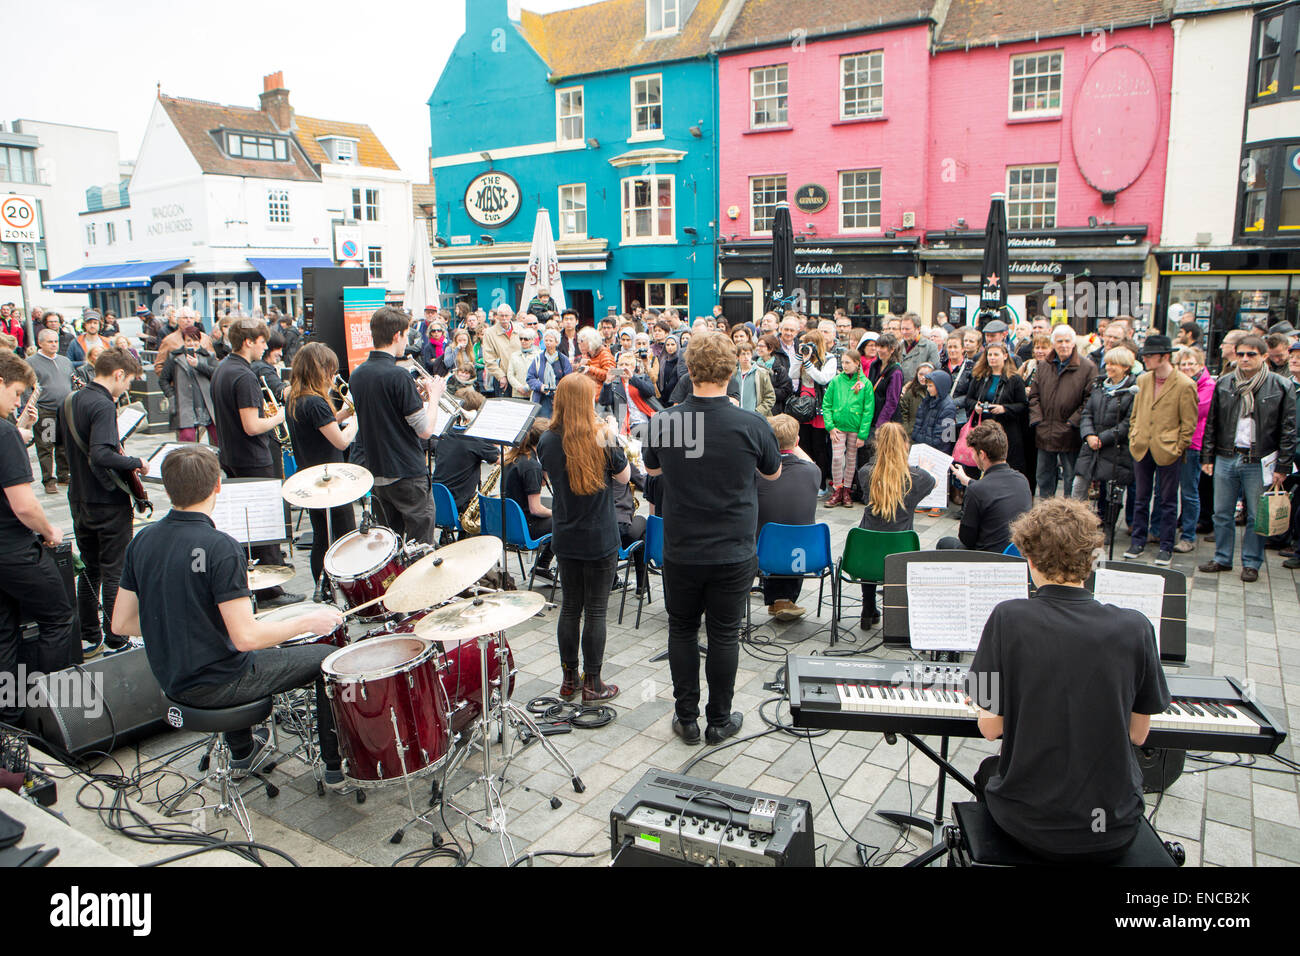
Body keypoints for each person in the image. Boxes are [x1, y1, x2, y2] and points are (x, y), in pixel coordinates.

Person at [111, 446, 347, 785]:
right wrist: (308, 622)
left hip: (171, 677)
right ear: (217, 486)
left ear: (167, 488)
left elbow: (121, 624)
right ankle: (335, 768)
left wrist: (186, 628)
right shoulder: (219, 546)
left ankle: (243, 751)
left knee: (233, 649)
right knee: (328, 659)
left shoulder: (142, 540)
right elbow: (246, 637)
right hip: (216, 683)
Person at [966, 497, 1170, 863]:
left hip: (1030, 824)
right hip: (1111, 825)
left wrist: (985, 701)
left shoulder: (1007, 617)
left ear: (1029, 559)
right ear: (1090, 560)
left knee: (988, 773)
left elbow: (990, 728)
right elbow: (1139, 735)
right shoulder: (1137, 626)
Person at [644, 332, 781, 745]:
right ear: (729, 370)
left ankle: (686, 718)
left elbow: (651, 472)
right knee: (723, 633)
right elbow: (773, 473)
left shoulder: (666, 422)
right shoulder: (750, 423)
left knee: (682, 628)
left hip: (683, 545)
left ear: (690, 369)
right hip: (732, 547)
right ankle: (719, 720)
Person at [536, 375, 626, 702]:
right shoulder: (602, 435)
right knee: (597, 611)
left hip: (566, 533)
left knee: (570, 607)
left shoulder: (546, 439)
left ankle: (568, 680)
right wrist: (611, 433)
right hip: (600, 535)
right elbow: (625, 476)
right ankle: (594, 684)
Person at [0, 352, 77, 725]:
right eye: (16, 393)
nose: (19, 401)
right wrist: (50, 531)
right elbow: (24, 505)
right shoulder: (2, 432)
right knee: (59, 618)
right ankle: (54, 712)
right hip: (13, 550)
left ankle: (10, 717)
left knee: (4, 633)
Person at [61, 347, 147, 657]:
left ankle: (89, 635)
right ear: (118, 374)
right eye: (129, 381)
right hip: (106, 502)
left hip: (79, 498)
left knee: (90, 568)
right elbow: (100, 454)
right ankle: (117, 638)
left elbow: (65, 446)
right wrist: (136, 460)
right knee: (114, 570)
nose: (127, 389)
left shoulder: (71, 400)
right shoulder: (102, 404)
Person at [1198, 334, 1297, 583]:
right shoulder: (1225, 383)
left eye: (1251, 354)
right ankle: (1222, 557)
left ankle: (1252, 562)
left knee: (1256, 515)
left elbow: (1289, 428)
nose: (1244, 359)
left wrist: (1283, 465)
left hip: (1260, 458)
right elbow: (1213, 423)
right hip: (1227, 455)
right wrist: (1207, 456)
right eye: (1240, 353)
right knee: (1221, 512)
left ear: (1264, 356)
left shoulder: (1281, 385)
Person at [349, 307, 442, 544]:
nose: (407, 341)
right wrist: (434, 398)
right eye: (405, 335)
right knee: (420, 545)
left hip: (377, 471)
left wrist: (414, 398)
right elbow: (425, 430)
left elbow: (387, 412)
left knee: (391, 544)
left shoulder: (358, 374)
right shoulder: (398, 376)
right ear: (396, 336)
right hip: (405, 471)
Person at [286, 343, 359, 584]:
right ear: (320, 370)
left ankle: (322, 587)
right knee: (346, 536)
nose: (332, 377)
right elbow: (340, 442)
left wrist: (340, 416)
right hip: (330, 481)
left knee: (322, 536)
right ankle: (346, 586)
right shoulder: (316, 402)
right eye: (330, 371)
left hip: (310, 476)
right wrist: (355, 424)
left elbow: (319, 428)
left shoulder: (297, 398)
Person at [1123, 335, 1199, 566]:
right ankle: (1137, 542)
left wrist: (1178, 447)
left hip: (1168, 449)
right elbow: (1136, 413)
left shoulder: (1185, 384)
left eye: (1150, 355)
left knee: (1167, 500)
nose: (1144, 359)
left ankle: (1166, 546)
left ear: (1165, 356)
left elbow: (1189, 424)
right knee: (1140, 497)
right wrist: (1134, 435)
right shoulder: (1144, 380)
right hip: (1142, 445)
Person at [855, 422, 935, 629]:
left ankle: (868, 606)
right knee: (891, 547)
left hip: (866, 554)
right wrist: (925, 469)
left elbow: (866, 497)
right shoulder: (918, 478)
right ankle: (894, 612)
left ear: (877, 445)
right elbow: (931, 482)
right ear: (905, 446)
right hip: (901, 553)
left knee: (871, 540)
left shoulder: (865, 473)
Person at [756, 414, 820, 621]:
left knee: (770, 528)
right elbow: (808, 461)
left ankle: (779, 599)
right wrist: (793, 443)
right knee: (788, 529)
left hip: (763, 552)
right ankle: (783, 599)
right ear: (798, 442)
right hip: (804, 554)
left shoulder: (756, 474)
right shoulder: (813, 472)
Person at [1072, 348, 1138, 534]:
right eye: (1107, 363)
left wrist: (1103, 438)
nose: (1109, 368)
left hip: (1115, 448)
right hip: (1091, 445)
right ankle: (1077, 524)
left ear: (1125, 367)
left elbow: (1128, 422)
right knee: (1079, 485)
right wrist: (1089, 435)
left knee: (1112, 491)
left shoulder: (1131, 390)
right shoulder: (1099, 386)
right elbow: (1087, 413)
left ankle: (1108, 527)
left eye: (1114, 364)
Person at [1028, 324, 1096, 498]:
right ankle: (1045, 515)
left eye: (1067, 341)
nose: (1064, 345)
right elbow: (1034, 396)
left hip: (1070, 433)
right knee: (1043, 478)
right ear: (1054, 343)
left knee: (1070, 479)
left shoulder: (1087, 368)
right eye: (1059, 341)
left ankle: (1067, 517)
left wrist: (1072, 422)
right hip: (1045, 431)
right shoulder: (1044, 366)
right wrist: (1038, 420)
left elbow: (1089, 400)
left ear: (1073, 343)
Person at [944, 421, 1033, 553]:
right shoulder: (1022, 480)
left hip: (988, 560)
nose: (973, 457)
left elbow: (966, 539)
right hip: (1016, 554)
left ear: (982, 455)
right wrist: (968, 481)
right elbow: (994, 489)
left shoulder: (977, 491)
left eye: (973, 453)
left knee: (944, 543)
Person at [962, 342, 1029, 473]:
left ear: (1005, 356)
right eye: (989, 355)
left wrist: (1004, 409)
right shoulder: (979, 376)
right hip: (983, 428)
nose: (992, 358)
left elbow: (1023, 406)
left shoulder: (1015, 379)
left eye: (996, 354)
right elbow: (968, 399)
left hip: (1007, 430)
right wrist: (975, 406)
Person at [431, 389, 500, 516]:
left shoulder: (445, 433)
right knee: (498, 506)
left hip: (439, 499)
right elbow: (502, 459)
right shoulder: (473, 438)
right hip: (461, 503)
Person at [1174, 347, 1215, 553]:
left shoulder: (1208, 385)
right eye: (1183, 364)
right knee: (1168, 491)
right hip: (1173, 443)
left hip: (1193, 445)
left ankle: (1188, 536)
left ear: (1200, 365)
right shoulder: (1177, 384)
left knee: (1190, 492)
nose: (1187, 367)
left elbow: (1195, 411)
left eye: (1191, 364)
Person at [821, 348, 873, 507]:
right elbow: (827, 404)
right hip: (838, 426)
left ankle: (847, 490)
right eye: (842, 362)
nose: (844, 365)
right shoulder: (836, 381)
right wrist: (829, 426)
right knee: (837, 458)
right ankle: (837, 488)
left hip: (855, 428)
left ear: (857, 363)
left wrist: (862, 434)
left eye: (848, 362)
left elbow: (868, 409)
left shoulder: (865, 383)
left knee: (851, 459)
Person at [503, 418, 554, 582]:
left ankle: (542, 566)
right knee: (567, 520)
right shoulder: (531, 466)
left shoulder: (513, 458)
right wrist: (556, 513)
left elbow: (540, 485)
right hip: (525, 526)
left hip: (509, 522)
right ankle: (542, 565)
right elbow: (536, 509)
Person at [28, 329, 74, 494]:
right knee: (47, 446)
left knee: (63, 445)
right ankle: (49, 479)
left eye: (55, 341)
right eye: (50, 342)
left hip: (64, 410)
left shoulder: (64, 361)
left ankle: (64, 474)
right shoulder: (31, 362)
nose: (54, 344)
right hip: (46, 410)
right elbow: (28, 388)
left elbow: (72, 381)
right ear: (40, 343)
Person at [793, 329, 837, 494]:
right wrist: (799, 359)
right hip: (803, 406)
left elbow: (823, 378)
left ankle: (821, 484)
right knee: (804, 445)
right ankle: (805, 481)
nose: (808, 348)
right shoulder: (804, 359)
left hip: (819, 407)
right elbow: (792, 374)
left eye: (811, 344)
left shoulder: (829, 359)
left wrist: (810, 363)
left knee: (819, 446)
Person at [161, 325, 218, 444]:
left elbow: (217, 374)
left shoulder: (208, 355)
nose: (192, 343)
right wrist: (172, 396)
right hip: (184, 405)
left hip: (207, 404)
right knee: (187, 438)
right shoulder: (174, 357)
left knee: (219, 437)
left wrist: (198, 365)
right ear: (184, 341)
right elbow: (163, 380)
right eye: (188, 340)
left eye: (195, 340)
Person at [154, 308, 214, 376]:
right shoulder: (169, 340)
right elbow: (159, 366)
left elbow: (213, 362)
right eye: (185, 318)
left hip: (203, 382)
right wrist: (173, 382)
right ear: (178, 320)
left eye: (191, 318)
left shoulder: (205, 338)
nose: (188, 320)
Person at [528, 328, 572, 417]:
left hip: (560, 398)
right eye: (546, 340)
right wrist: (540, 386)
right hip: (542, 398)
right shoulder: (538, 359)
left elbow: (569, 379)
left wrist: (560, 388)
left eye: (551, 340)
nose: (548, 343)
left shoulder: (563, 360)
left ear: (556, 342)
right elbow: (530, 378)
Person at [481, 304, 521, 398]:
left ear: (511, 315)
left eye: (506, 315)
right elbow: (489, 359)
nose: (504, 318)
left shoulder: (520, 330)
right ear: (497, 316)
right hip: (503, 377)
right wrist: (501, 376)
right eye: (501, 315)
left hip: (519, 377)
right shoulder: (489, 333)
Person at [734, 339, 775, 417]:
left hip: (755, 416)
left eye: (748, 354)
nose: (746, 357)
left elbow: (770, 397)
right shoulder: (733, 374)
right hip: (737, 416)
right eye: (743, 354)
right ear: (737, 357)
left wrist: (758, 411)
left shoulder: (761, 373)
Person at [897, 313, 940, 382]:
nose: (904, 332)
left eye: (907, 329)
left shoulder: (930, 347)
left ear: (918, 329)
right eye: (902, 329)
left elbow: (934, 372)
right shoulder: (899, 347)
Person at [756, 333, 792, 414]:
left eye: (762, 346)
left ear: (770, 349)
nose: (758, 348)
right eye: (758, 345)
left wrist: (767, 391)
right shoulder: (753, 364)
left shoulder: (779, 369)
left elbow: (785, 391)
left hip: (773, 409)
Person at [507, 327, 540, 399]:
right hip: (517, 393)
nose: (523, 341)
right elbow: (510, 374)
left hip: (532, 393)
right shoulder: (514, 355)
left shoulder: (539, 355)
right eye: (521, 338)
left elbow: (539, 374)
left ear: (532, 340)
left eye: (526, 339)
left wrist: (527, 387)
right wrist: (519, 387)